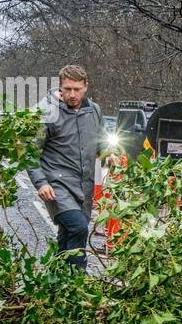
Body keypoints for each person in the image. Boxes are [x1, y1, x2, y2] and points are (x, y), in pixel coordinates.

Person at [27, 65, 117, 272]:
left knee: (67, 233)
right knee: (78, 227)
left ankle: (59, 280)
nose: (72, 94)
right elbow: (30, 152)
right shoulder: (47, 112)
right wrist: (41, 183)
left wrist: (108, 153)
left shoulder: (94, 110)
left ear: (86, 86)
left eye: (77, 89)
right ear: (60, 86)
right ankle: (77, 277)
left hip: (84, 185)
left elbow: (101, 139)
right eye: (67, 89)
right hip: (56, 183)